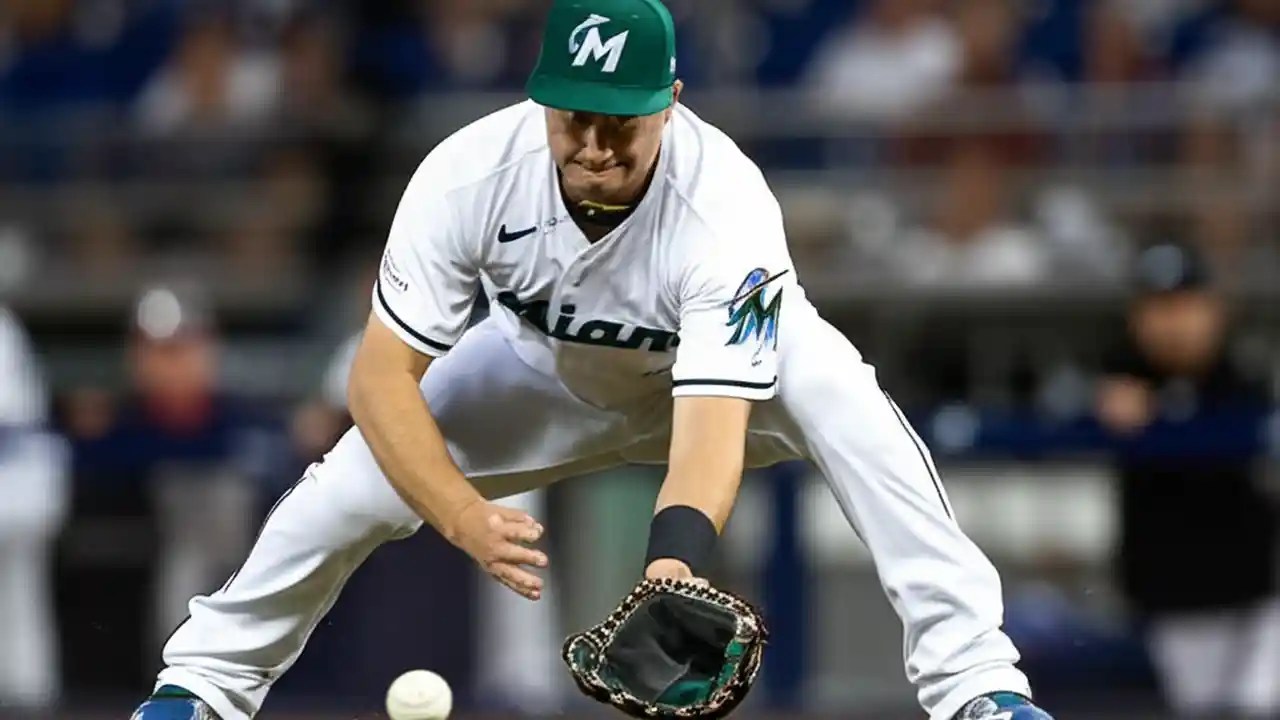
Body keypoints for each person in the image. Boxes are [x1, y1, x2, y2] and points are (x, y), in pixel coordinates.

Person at [132, 2, 1056, 719]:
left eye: (625, 121)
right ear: (540, 97)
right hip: (543, 373)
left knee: (854, 411)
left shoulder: (725, 203)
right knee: (352, 481)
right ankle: (201, 688)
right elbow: (380, 381)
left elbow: (708, 425)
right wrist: (458, 513)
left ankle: (977, 684)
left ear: (672, 102)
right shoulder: (467, 176)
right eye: (577, 118)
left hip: (724, 385)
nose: (598, 145)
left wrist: (672, 565)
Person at [1096, 241, 1280, 718]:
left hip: (1263, 599)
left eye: (1184, 305)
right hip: (1176, 602)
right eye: (1158, 307)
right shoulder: (1116, 379)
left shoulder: (1248, 379)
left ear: (1212, 309)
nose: (1173, 322)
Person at [0, 306, 68, 710]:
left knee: (21, 594)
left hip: (17, 472)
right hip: (23, 470)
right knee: (21, 598)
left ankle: (29, 698)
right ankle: (29, 693)